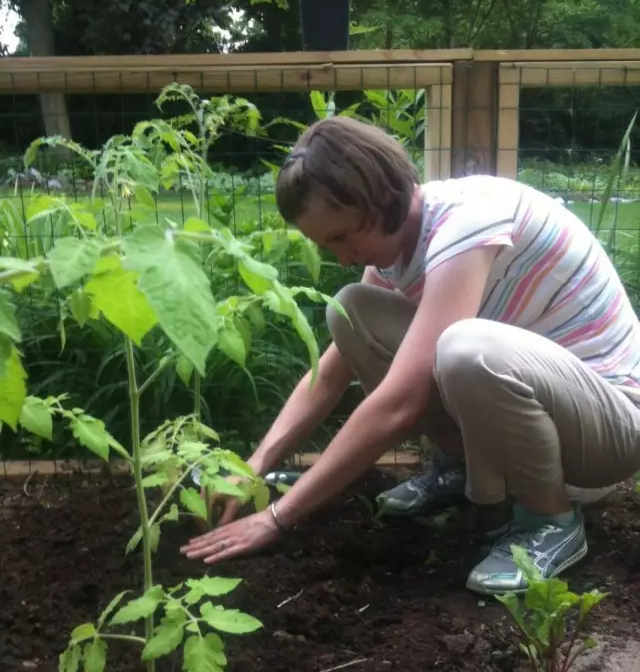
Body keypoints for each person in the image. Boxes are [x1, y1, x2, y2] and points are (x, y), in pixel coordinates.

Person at [181, 115, 640, 594]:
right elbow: (334, 369)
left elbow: (401, 401)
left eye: (341, 236)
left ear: (378, 198)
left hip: (610, 428)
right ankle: (464, 469)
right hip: (547, 416)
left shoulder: (468, 219)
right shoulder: (399, 246)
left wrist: (279, 515)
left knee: (465, 350)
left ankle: (549, 520)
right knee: (351, 312)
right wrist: (252, 466)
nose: (341, 256)